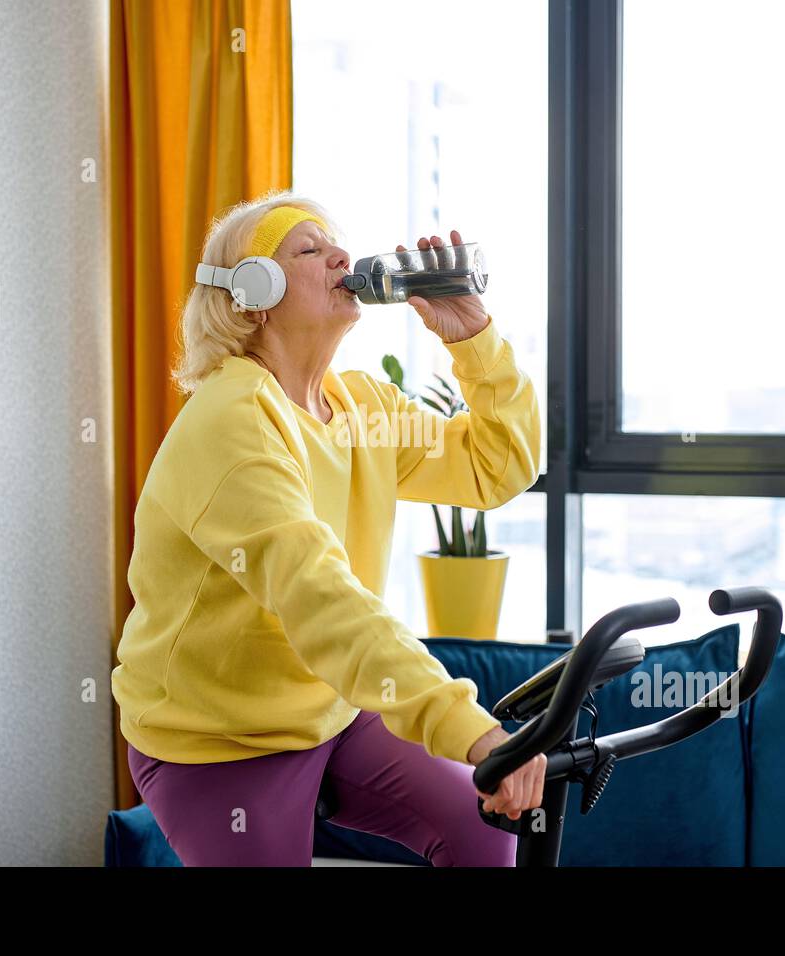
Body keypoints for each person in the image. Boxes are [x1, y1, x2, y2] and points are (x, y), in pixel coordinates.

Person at [111, 189, 545, 866]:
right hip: (219, 743)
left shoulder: (358, 406)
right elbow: (320, 597)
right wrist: (474, 731)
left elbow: (498, 467)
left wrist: (474, 339)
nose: (342, 256)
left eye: (335, 243)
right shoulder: (231, 425)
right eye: (309, 250)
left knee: (481, 829)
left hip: (334, 711)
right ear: (251, 293)